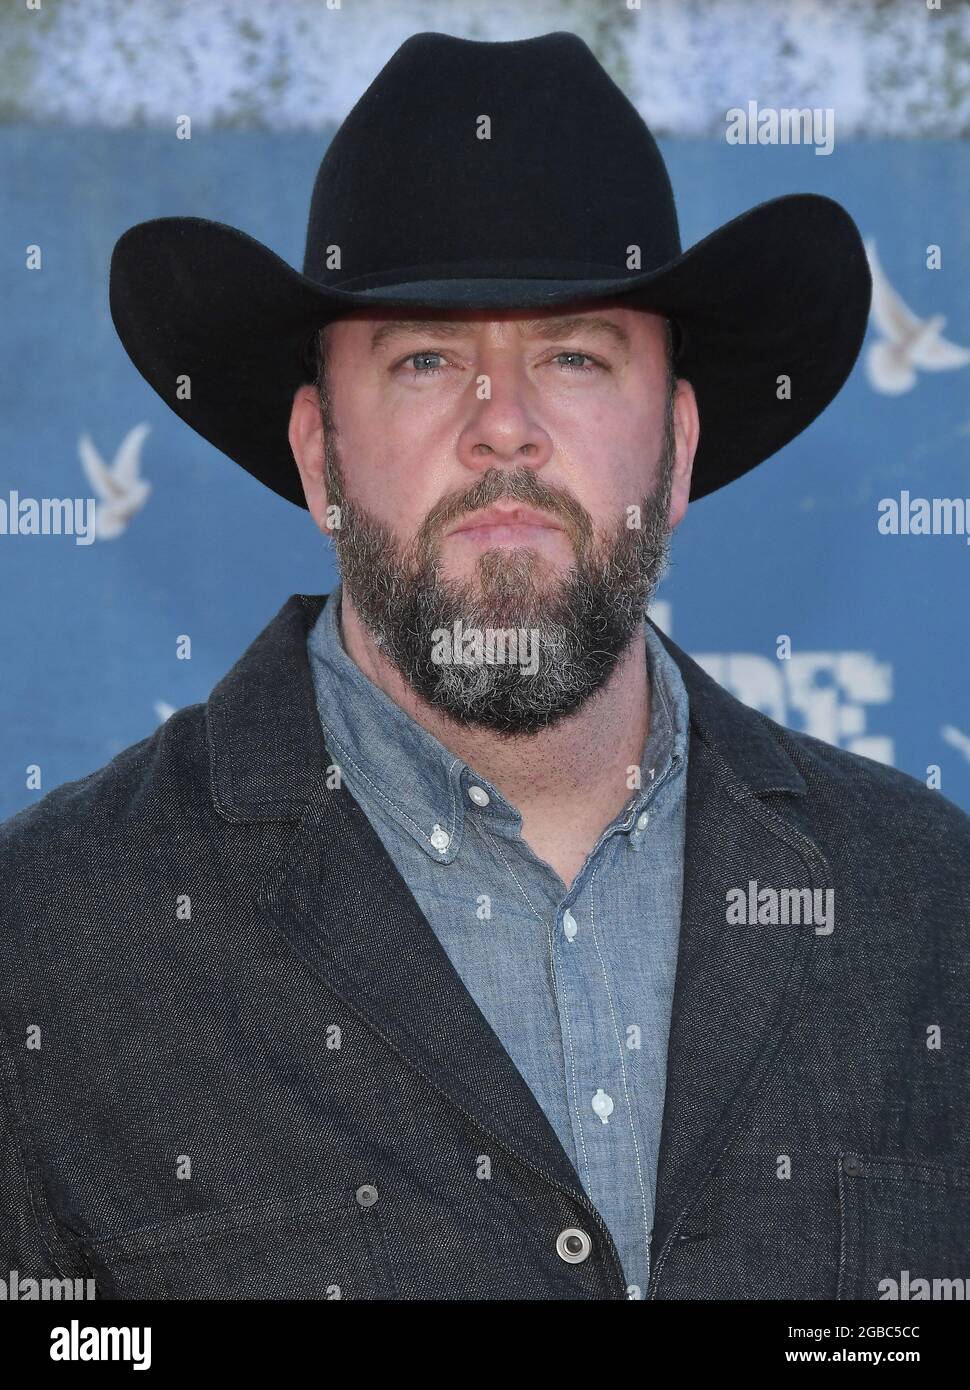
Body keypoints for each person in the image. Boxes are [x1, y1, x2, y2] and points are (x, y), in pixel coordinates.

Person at [1, 31, 967, 1303]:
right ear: (318, 456)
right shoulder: (48, 947)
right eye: (423, 359)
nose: (501, 423)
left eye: (574, 355)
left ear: (674, 448)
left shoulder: (928, 911)